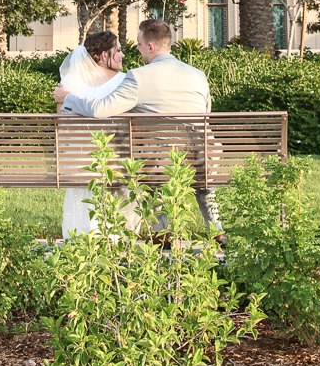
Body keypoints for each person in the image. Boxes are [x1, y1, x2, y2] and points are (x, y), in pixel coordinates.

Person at [56, 18, 221, 231]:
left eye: (139, 44)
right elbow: (206, 114)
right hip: (203, 161)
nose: (136, 49)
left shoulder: (138, 77)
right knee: (192, 158)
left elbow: (100, 110)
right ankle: (217, 230)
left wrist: (67, 99)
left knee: (155, 158)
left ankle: (162, 233)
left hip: (161, 165)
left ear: (150, 47)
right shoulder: (198, 75)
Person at [56, 30, 126, 238]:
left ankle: (78, 239)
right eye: (118, 50)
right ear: (104, 55)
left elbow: (62, 127)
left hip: (77, 167)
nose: (122, 55)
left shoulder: (69, 83)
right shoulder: (123, 82)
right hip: (112, 166)